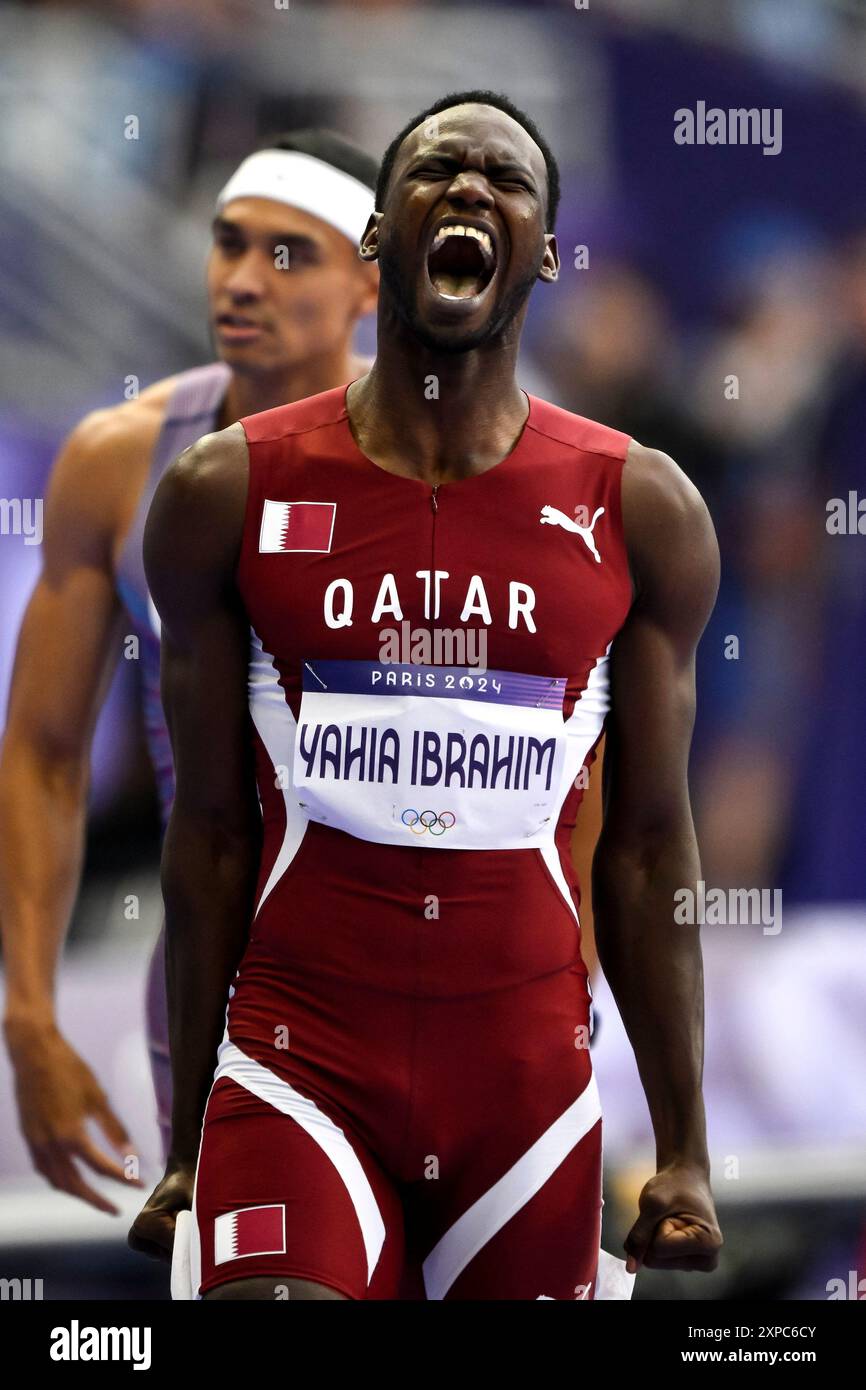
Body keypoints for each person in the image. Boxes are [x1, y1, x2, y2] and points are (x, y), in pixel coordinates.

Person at [130, 90, 722, 1300]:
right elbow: (206, 833)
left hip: (525, 1100)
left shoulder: (640, 506)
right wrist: (189, 1140)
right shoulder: (223, 492)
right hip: (299, 1066)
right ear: (374, 240)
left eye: (504, 182)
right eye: (435, 169)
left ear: (546, 251)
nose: (467, 189)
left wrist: (686, 1150)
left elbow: (652, 849)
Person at [0, 130, 379, 1214]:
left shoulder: (452, 457)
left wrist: (563, 983)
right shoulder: (117, 459)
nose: (242, 279)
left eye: (287, 253)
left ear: (369, 280)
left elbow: (566, 736)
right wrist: (29, 1016)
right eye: (227, 243)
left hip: (436, 977)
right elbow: (42, 751)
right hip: (217, 994)